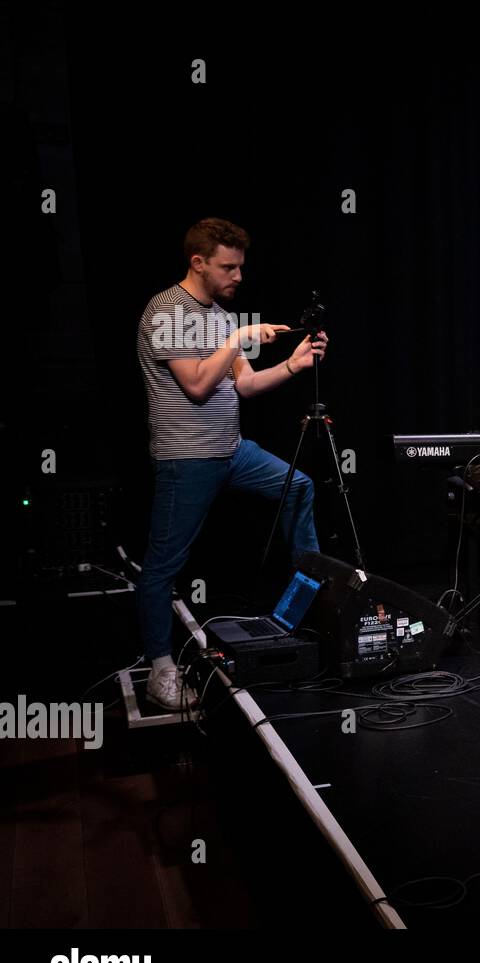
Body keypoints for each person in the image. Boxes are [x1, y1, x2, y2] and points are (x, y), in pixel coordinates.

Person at [136, 217, 329, 710]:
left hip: (232, 450)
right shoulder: (166, 311)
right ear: (198, 263)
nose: (238, 276)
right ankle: (160, 666)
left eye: (241, 267)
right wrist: (237, 340)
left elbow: (242, 385)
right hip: (188, 458)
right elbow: (198, 386)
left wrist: (293, 364)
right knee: (163, 567)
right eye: (228, 267)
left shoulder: (222, 317)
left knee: (299, 486)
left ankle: (305, 607)